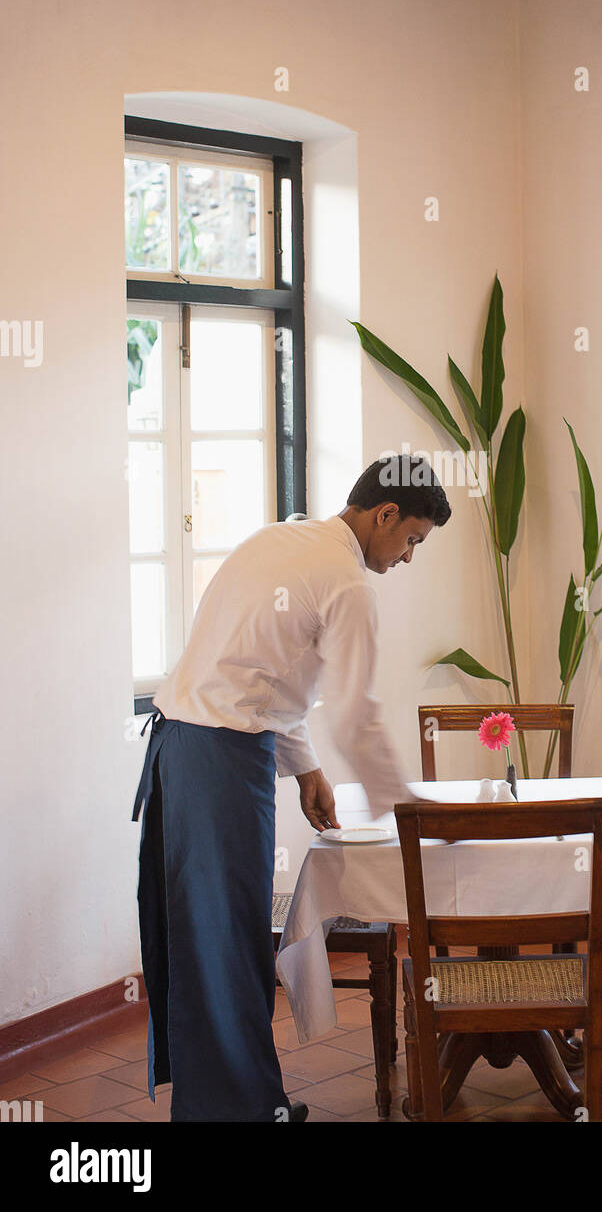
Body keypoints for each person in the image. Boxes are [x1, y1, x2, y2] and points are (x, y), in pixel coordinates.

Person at [131, 455, 452, 1122]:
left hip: (185, 749)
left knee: (217, 940)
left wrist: (307, 770)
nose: (409, 556)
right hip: (220, 758)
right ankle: (238, 1111)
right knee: (225, 944)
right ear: (384, 515)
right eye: (413, 539)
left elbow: (265, 670)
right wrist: (410, 813)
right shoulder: (348, 586)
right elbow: (353, 717)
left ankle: (245, 1104)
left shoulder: (279, 538)